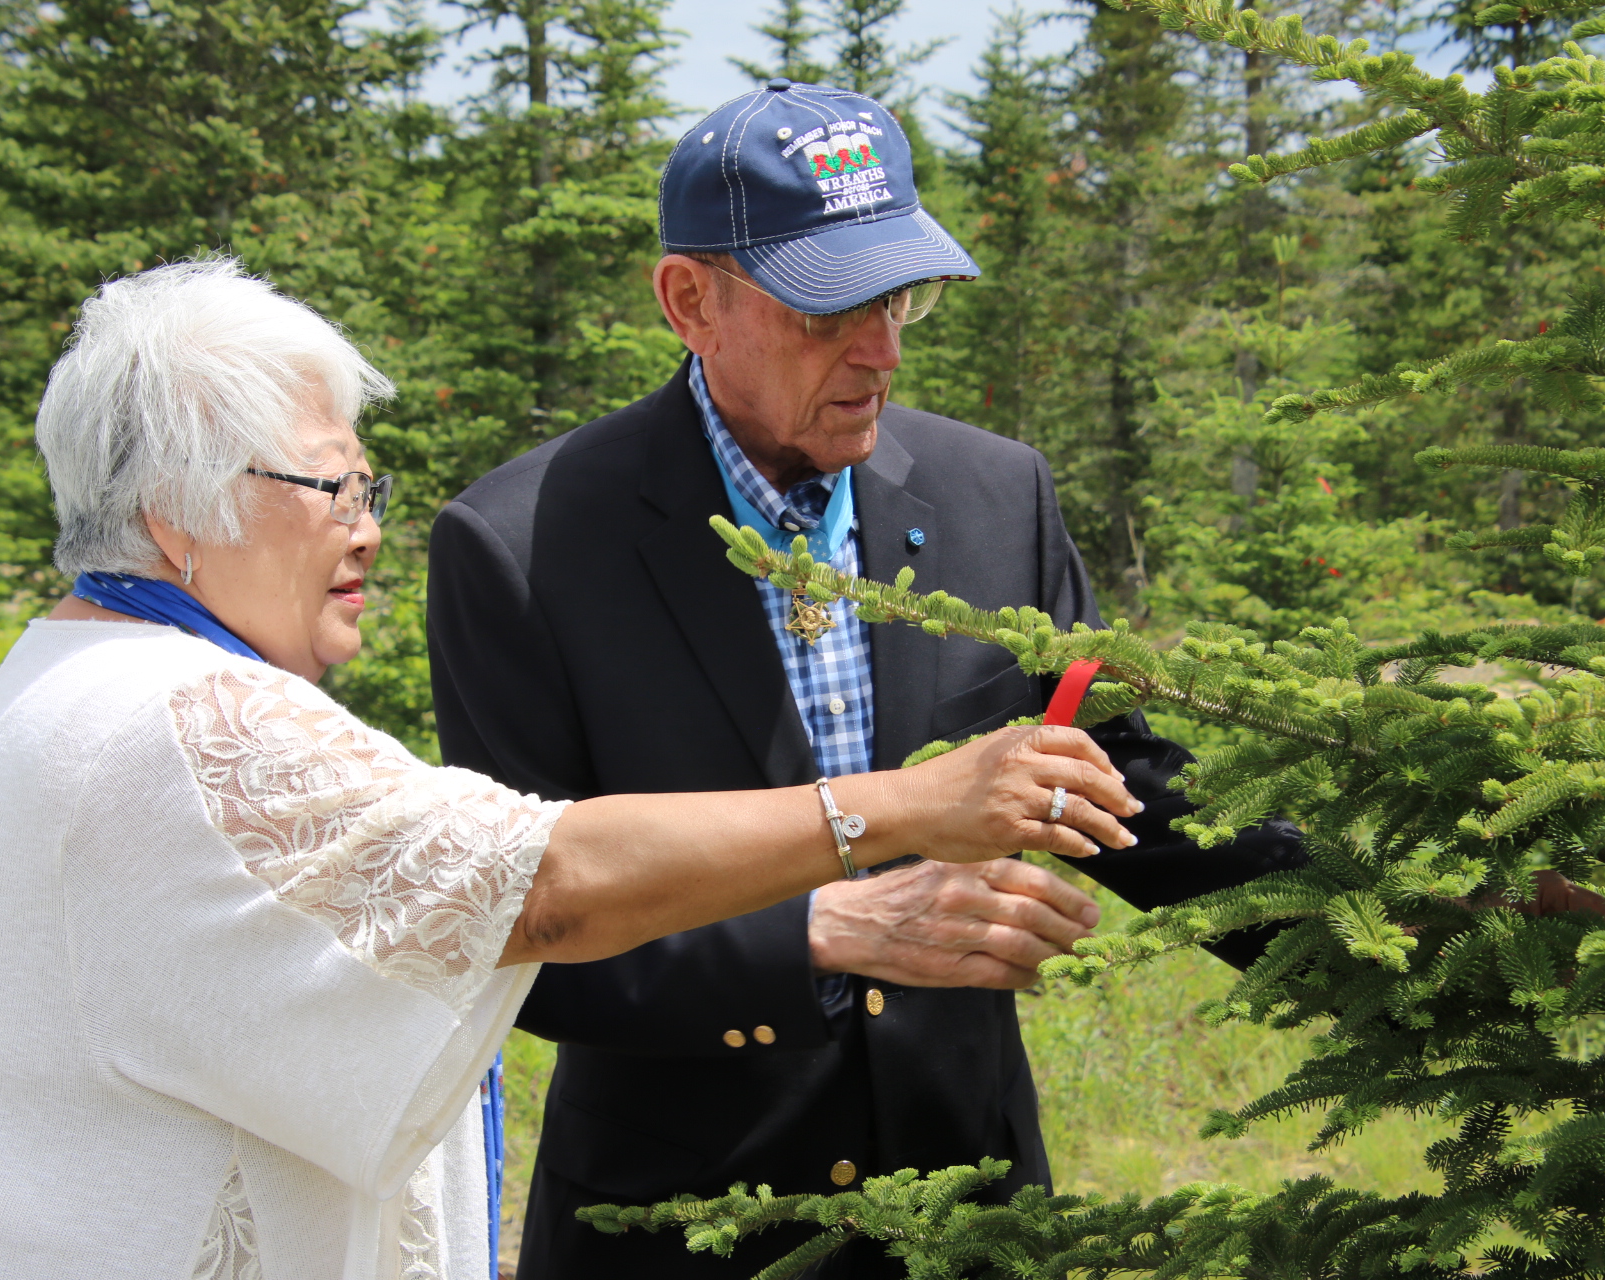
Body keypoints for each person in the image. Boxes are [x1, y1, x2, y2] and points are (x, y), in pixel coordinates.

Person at [0, 259, 1145, 1280]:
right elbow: (543, 887)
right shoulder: (186, 722)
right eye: (331, 486)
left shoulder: (70, 681)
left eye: (370, 481)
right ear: (180, 513)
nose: (369, 526)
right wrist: (908, 805)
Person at [426, 81, 1307, 1279]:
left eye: (900, 296)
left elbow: (1129, 784)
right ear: (692, 301)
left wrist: (1414, 916)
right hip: (675, 1233)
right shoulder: (524, 547)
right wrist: (823, 929)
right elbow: (513, 929)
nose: (882, 351)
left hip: (970, 1216)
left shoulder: (998, 495)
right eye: (828, 306)